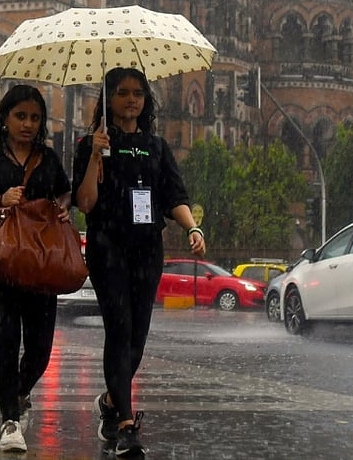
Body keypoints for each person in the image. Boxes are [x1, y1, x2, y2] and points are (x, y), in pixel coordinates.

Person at [73, 67, 205, 456]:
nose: (132, 99)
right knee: (119, 328)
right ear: (108, 98)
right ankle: (126, 424)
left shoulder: (157, 146)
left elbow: (174, 196)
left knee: (138, 337)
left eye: (138, 93)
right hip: (107, 245)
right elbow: (85, 203)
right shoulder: (90, 144)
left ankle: (110, 402)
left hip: (147, 248)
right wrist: (96, 155)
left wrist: (193, 229)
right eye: (123, 93)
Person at [0, 84, 72, 454]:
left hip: (40, 264)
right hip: (1, 265)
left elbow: (64, 194)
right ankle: (9, 419)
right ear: (4, 117)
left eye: (35, 118)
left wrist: (61, 207)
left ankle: (20, 391)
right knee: (7, 342)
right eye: (20, 116)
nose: (27, 124)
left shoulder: (49, 159)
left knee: (40, 348)